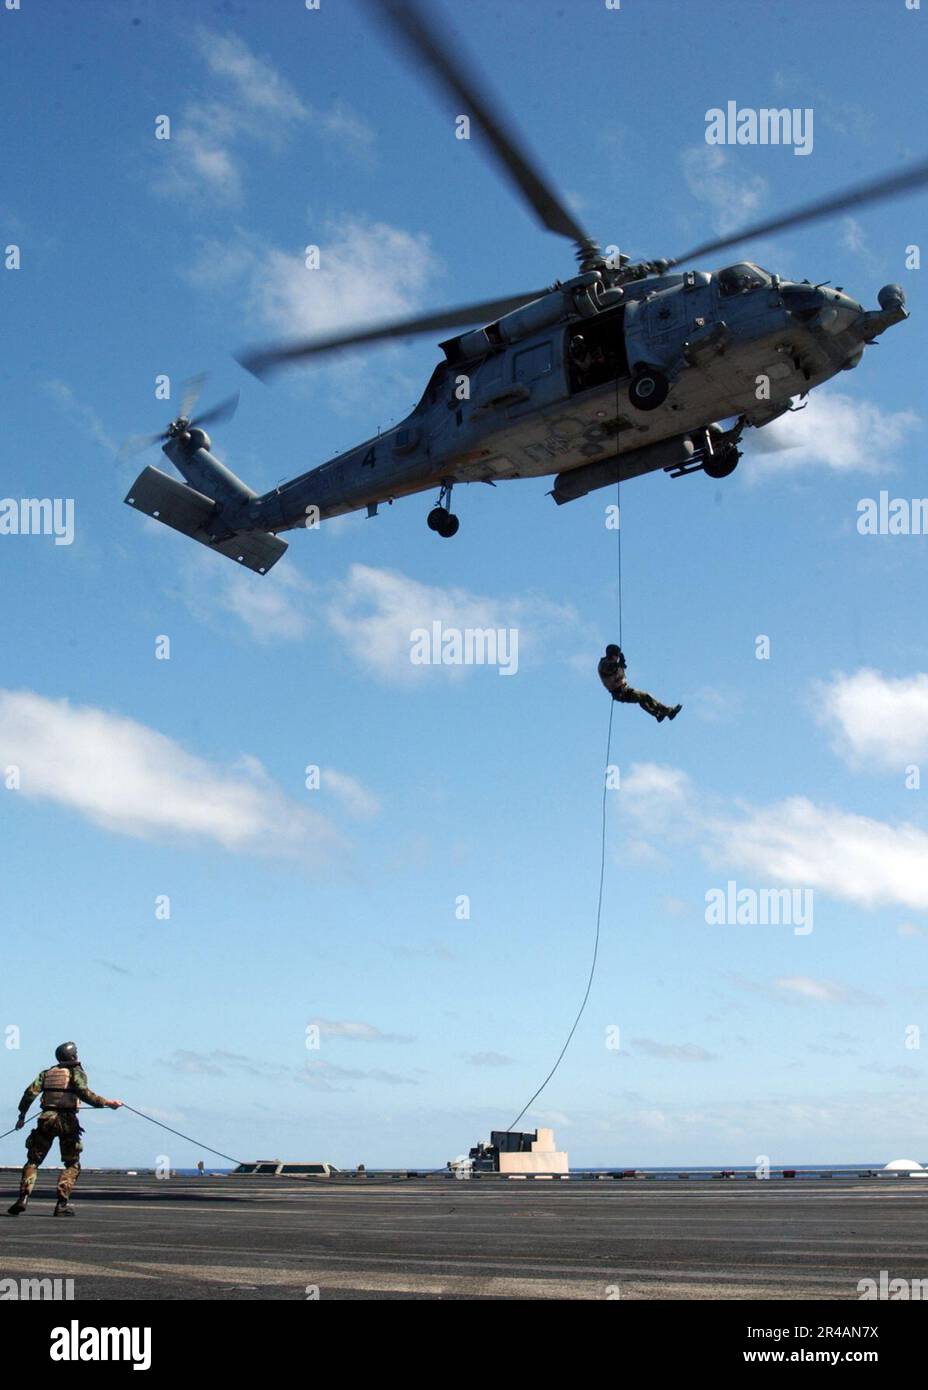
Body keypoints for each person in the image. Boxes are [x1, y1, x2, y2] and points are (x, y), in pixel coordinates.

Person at [7, 1042, 122, 1218]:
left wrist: (21, 1116)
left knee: (33, 1161)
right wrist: (107, 1103)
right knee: (72, 1163)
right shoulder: (76, 1072)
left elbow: (29, 1093)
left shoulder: (46, 1073)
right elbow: (84, 1093)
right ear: (73, 1056)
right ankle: (61, 1204)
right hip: (67, 1121)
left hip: (46, 1119)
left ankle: (23, 1198)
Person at [598, 644, 682, 723]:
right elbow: (610, 668)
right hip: (620, 693)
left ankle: (657, 714)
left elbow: (617, 668)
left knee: (641, 700)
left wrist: (621, 663)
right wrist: (619, 664)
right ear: (612, 655)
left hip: (624, 690)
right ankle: (669, 711)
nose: (617, 658)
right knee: (645, 696)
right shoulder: (604, 664)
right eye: (616, 656)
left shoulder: (613, 663)